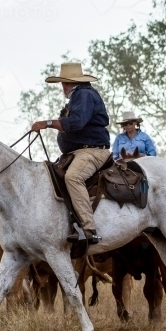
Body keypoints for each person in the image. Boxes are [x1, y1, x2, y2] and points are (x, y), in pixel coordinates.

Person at [31, 63, 110, 245]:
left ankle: (89, 229)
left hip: (91, 151)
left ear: (67, 83)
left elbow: (76, 123)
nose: (62, 87)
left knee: (73, 177)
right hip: (77, 152)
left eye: (63, 83)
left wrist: (47, 123)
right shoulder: (78, 96)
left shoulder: (84, 94)